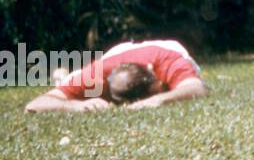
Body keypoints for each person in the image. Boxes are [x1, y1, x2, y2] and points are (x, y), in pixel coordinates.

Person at [24, 39, 208, 112]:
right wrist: (76, 106)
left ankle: (65, 78)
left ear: (153, 73)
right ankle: (63, 78)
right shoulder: (97, 75)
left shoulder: (167, 60)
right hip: (114, 55)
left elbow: (196, 88)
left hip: (167, 47)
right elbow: (33, 106)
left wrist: (160, 99)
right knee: (72, 83)